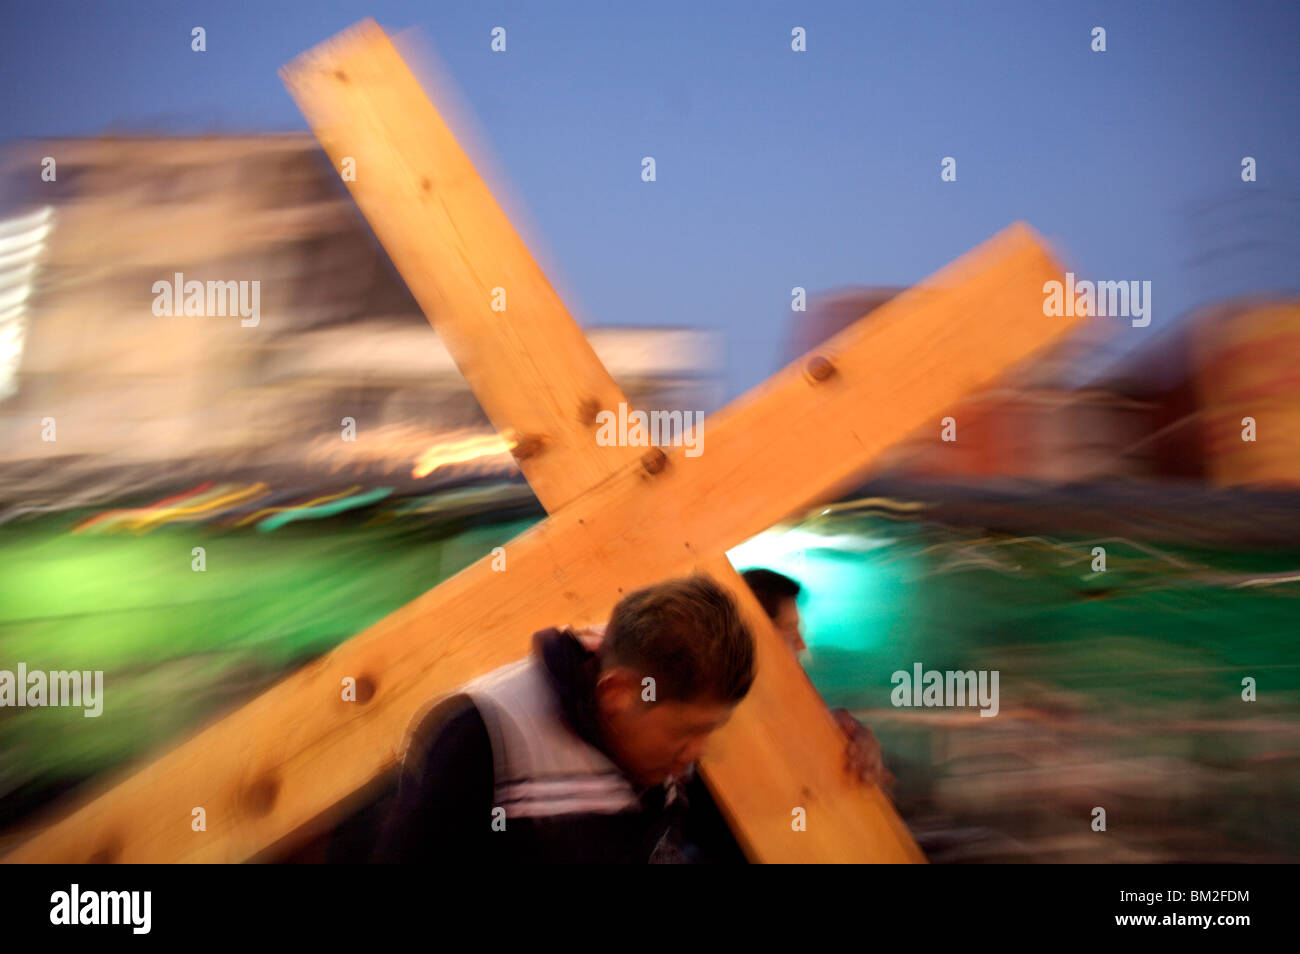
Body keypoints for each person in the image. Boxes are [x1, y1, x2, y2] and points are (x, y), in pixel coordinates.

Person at [373, 574, 754, 863]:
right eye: (687, 732)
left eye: (710, 730)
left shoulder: (661, 758)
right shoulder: (481, 733)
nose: (695, 753)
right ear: (616, 693)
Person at [740, 567, 894, 791]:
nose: (802, 646)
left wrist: (850, 732)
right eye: (791, 634)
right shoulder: (720, 737)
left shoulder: (786, 712)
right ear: (755, 640)